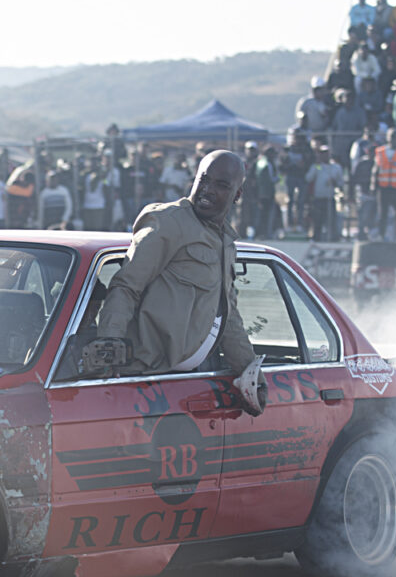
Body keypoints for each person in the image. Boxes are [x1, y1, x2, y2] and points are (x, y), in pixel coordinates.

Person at [85, 151, 264, 413]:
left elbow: (228, 316)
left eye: (221, 185)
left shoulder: (225, 241)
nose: (207, 190)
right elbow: (126, 286)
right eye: (203, 180)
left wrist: (249, 373)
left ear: (237, 195)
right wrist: (109, 348)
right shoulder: (168, 222)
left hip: (196, 383)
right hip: (149, 379)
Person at [373, 128, 396, 240]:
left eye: (395, 137)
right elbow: (376, 169)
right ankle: (381, 235)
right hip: (384, 187)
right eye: (391, 137)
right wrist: (373, 184)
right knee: (382, 212)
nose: (393, 140)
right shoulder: (381, 151)